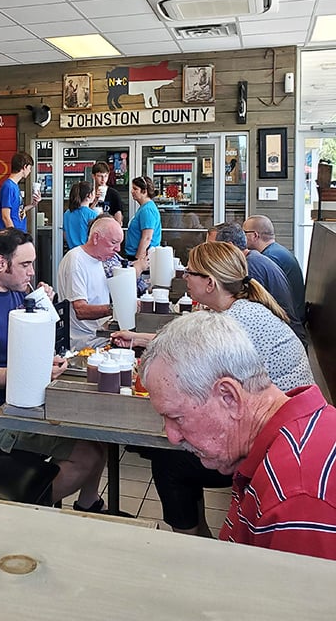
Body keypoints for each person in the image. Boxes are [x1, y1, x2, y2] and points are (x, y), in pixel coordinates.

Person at [112, 241, 313, 535]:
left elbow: (198, 378)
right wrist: (139, 339)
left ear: (210, 283)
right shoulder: (244, 311)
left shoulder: (236, 323)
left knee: (170, 460)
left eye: (190, 272)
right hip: (289, 431)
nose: (183, 277)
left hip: (275, 446)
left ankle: (192, 542)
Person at [140, 310, 336, 560]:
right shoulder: (280, 440)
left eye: (177, 418)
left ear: (228, 396)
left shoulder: (296, 498)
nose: (172, 436)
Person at [0, 229, 106, 512]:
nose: (32, 273)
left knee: (97, 434)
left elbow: (30, 345)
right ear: (1, 263)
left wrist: (42, 307)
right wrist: (35, 373)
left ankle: (88, 503)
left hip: (24, 402)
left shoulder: (14, 292)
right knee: (88, 454)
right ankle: (28, 509)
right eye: (25, 265)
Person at [214, 221, 307, 349]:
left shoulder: (250, 267)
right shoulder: (254, 258)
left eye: (216, 251)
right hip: (289, 335)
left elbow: (244, 317)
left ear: (230, 246)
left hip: (284, 342)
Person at [56, 216, 123, 350]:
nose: (118, 249)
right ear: (96, 238)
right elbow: (81, 310)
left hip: (100, 334)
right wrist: (116, 309)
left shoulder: (98, 259)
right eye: (114, 243)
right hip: (86, 342)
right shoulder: (76, 261)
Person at [242, 215, 306, 322]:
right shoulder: (277, 251)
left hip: (288, 321)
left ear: (254, 235)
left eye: (244, 232)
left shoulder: (269, 258)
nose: (242, 236)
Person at [0, 152, 40, 231]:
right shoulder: (9, 187)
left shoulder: (15, 186)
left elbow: (18, 211)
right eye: (30, 168)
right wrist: (14, 236)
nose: (30, 171)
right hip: (11, 235)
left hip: (19, 232)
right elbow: (5, 216)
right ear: (24, 167)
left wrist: (33, 204)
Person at [124, 175, 161, 260]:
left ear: (144, 191)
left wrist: (138, 259)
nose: (132, 191)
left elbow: (147, 237)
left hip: (141, 256)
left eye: (135, 189)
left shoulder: (147, 210)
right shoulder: (144, 208)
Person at [63, 181, 96, 248]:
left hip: (72, 250)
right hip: (86, 251)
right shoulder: (92, 214)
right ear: (89, 195)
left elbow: (65, 234)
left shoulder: (67, 213)